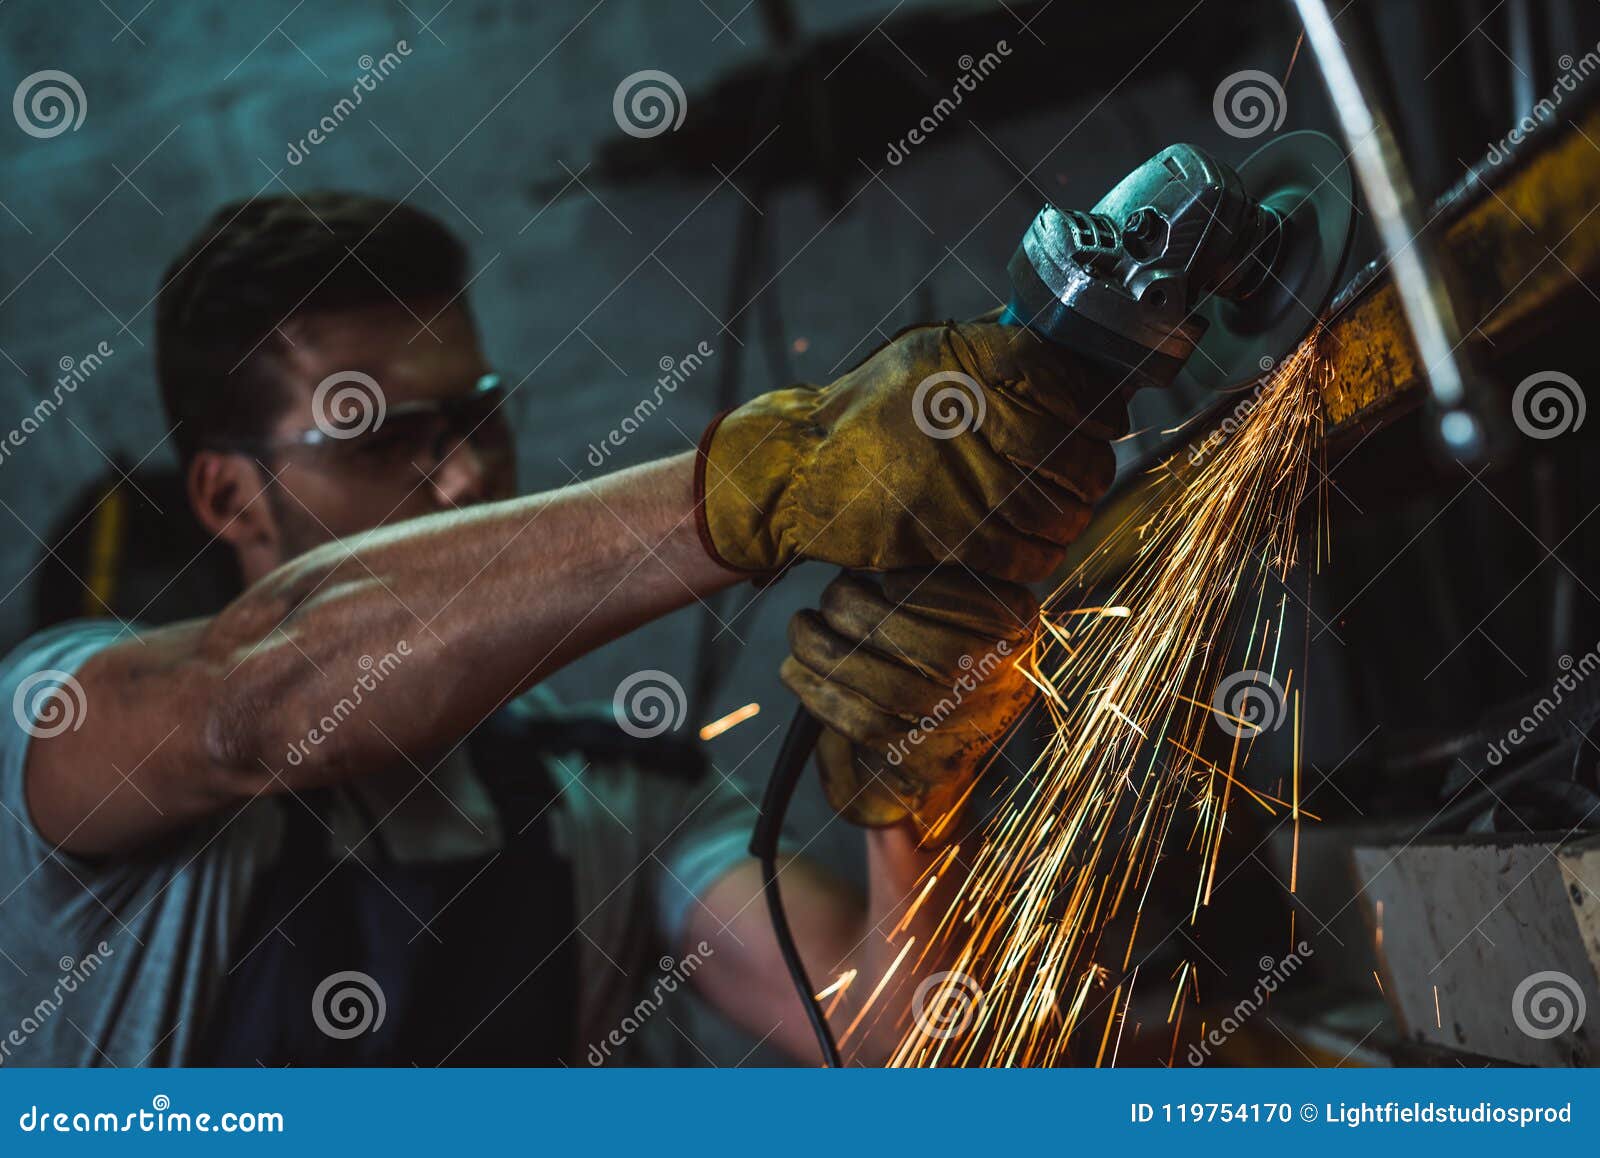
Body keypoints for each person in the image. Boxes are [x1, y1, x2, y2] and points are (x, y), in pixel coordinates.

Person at [0, 193, 1125, 1066]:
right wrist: (766, 480)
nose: (463, 476)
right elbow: (256, 703)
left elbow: (902, 1045)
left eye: (478, 417)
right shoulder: (58, 720)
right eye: (380, 440)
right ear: (228, 497)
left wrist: (915, 784)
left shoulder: (612, 790)